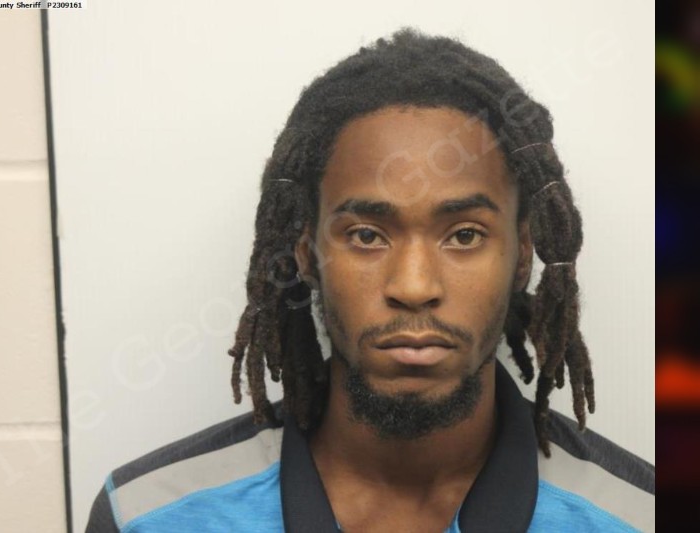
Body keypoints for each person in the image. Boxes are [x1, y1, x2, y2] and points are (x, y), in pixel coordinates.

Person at [85, 29, 654, 532]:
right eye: (366, 235)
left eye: (464, 235)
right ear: (306, 253)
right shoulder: (148, 516)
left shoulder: (639, 516)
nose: (414, 286)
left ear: (523, 253)